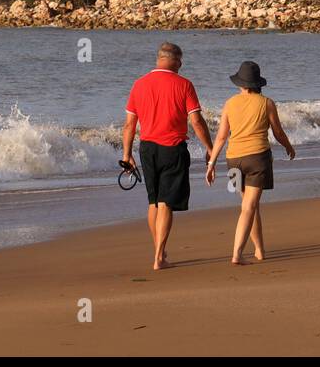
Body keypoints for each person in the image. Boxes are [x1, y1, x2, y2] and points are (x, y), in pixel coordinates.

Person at [122, 42, 213, 270]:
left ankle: (159, 253)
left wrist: (126, 155)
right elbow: (197, 121)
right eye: (180, 61)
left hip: (147, 149)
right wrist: (210, 148)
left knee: (153, 202)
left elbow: (129, 125)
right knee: (166, 203)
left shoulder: (139, 84)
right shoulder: (184, 85)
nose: (182, 65)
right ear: (173, 60)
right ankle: (159, 257)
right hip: (172, 148)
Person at [205, 60, 295, 265]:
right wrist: (289, 147)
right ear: (257, 84)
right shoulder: (266, 103)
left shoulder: (229, 103)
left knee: (249, 205)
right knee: (249, 207)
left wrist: (211, 164)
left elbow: (220, 137)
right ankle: (237, 254)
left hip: (233, 161)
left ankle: (259, 250)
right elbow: (278, 132)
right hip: (257, 159)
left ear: (241, 83)